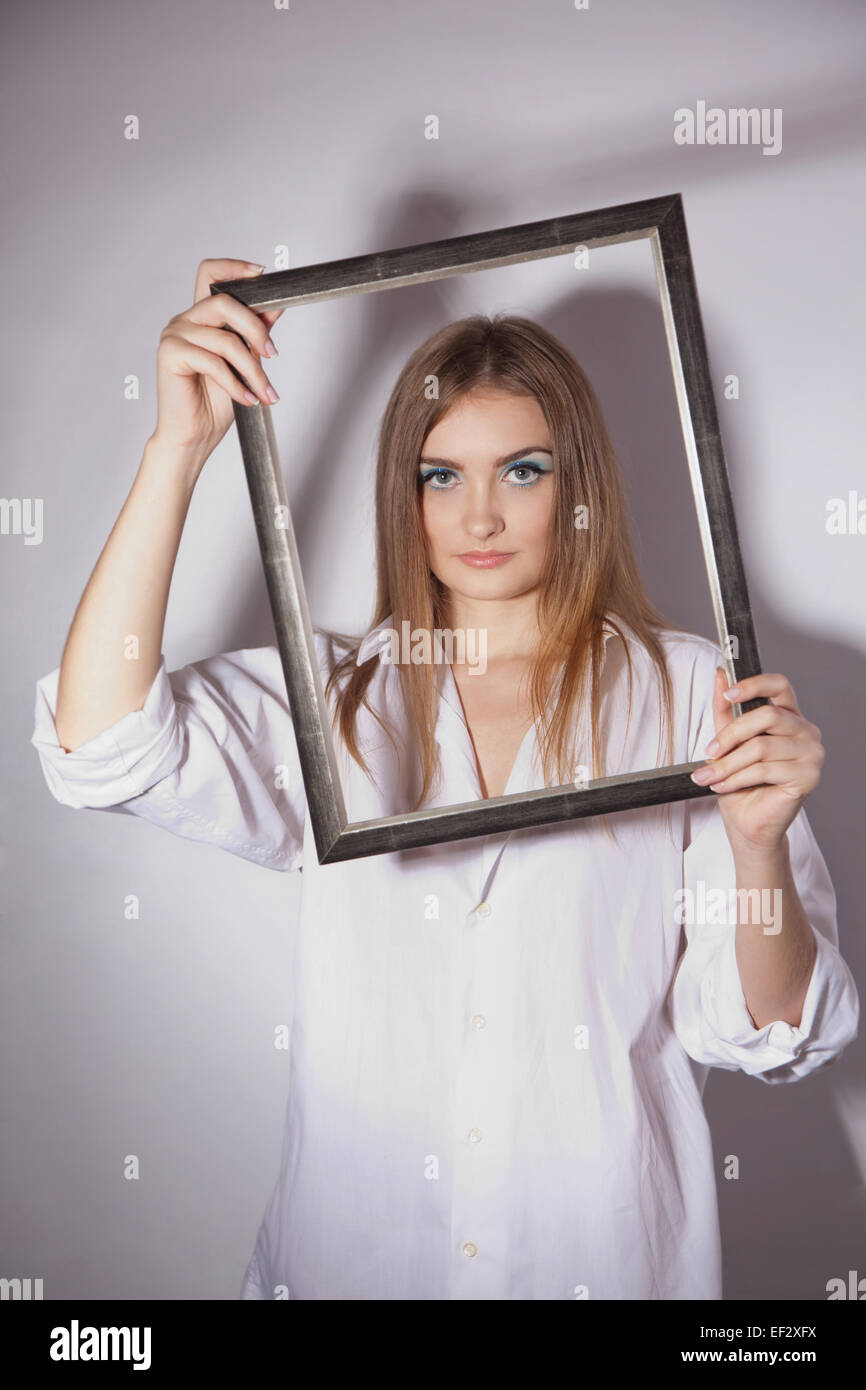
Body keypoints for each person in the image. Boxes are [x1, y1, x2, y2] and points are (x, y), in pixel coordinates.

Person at [31, 257, 859, 1301]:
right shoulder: (331, 695)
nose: (478, 517)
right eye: (440, 474)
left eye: (522, 469)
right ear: (404, 491)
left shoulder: (690, 689)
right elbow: (98, 745)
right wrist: (180, 446)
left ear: (578, 487)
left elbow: (770, 1030)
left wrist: (757, 841)